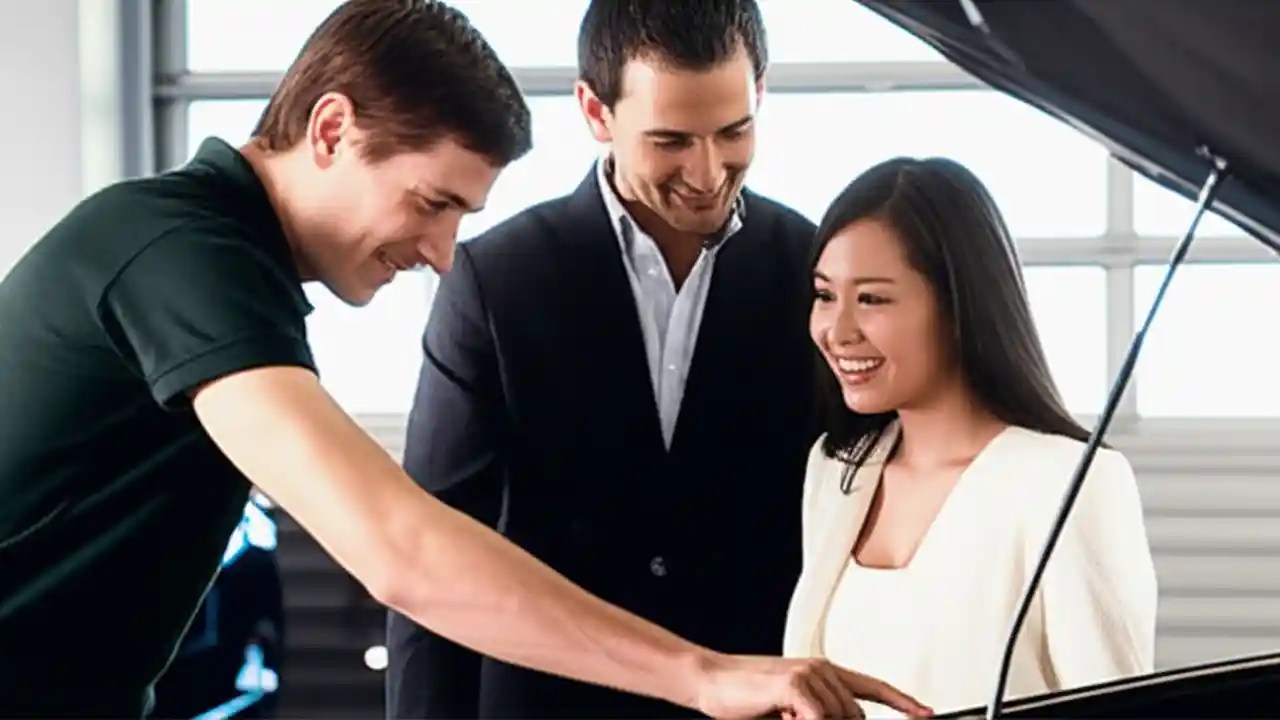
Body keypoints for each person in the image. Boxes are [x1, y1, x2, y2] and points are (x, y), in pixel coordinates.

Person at [0, 1, 931, 719]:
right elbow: (399, 546)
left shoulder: (217, 265)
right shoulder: (176, 252)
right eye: (431, 201)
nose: (442, 252)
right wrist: (699, 674)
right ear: (332, 130)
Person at [383, 1, 831, 717]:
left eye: (734, 131)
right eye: (672, 140)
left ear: (761, 94)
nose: (709, 171)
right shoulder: (496, 282)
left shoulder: (816, 271)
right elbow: (436, 554)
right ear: (596, 111)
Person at [782, 156, 1159, 717]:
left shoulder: (1067, 484)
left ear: (959, 303)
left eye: (873, 299)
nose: (837, 332)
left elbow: (1120, 710)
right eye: (824, 295)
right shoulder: (839, 468)